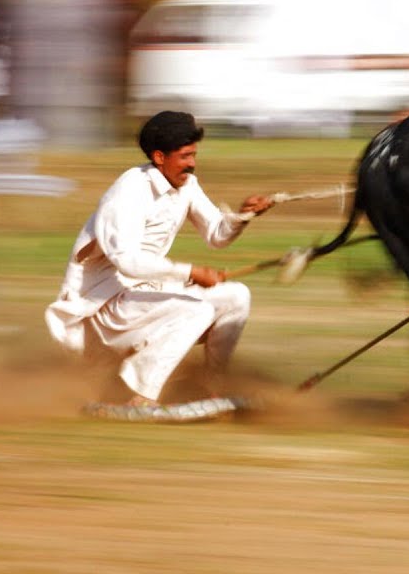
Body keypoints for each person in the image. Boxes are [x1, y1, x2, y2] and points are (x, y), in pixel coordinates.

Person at [44, 111, 273, 408]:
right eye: (185, 156)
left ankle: (212, 388)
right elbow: (127, 260)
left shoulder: (186, 184)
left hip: (141, 297)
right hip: (101, 310)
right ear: (159, 157)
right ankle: (139, 395)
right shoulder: (128, 191)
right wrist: (190, 272)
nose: (192, 164)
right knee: (197, 309)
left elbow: (217, 234)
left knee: (236, 296)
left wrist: (244, 216)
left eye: (193, 155)